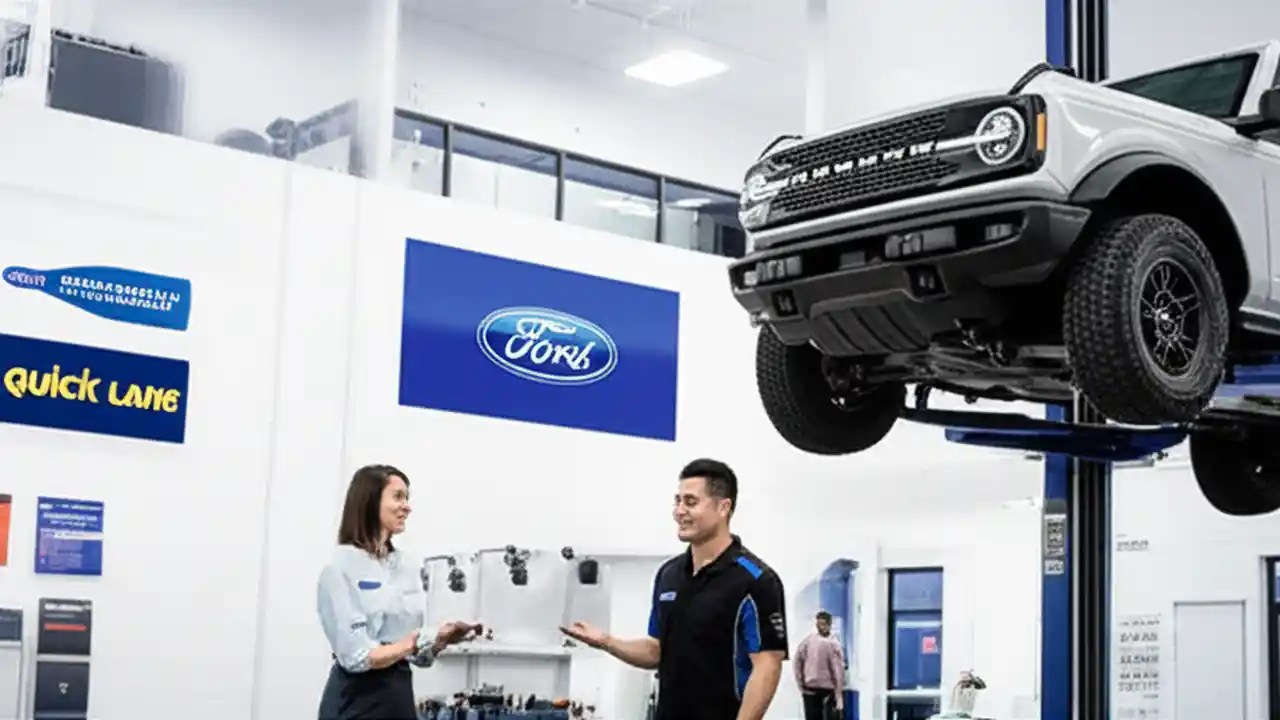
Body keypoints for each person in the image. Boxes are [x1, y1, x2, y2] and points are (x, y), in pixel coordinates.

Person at [560, 458, 788, 720]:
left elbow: (767, 666)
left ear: (723, 507)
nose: (679, 511)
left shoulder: (756, 580)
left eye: (690, 502)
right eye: (677, 501)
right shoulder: (669, 574)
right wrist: (607, 642)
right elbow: (657, 650)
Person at [316, 464, 482, 720]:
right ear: (370, 502)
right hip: (356, 701)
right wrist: (415, 641)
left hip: (398, 696)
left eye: (407, 498)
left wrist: (440, 639)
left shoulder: (407, 566)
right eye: (398, 496)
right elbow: (356, 657)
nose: (407, 506)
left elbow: (418, 656)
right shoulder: (339, 570)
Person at [794, 610, 845, 720]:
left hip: (820, 690)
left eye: (822, 624)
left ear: (829, 625)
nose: (820, 627)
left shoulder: (810, 642)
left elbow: (838, 671)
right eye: (819, 624)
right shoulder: (832, 644)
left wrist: (801, 683)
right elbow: (838, 671)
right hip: (817, 690)